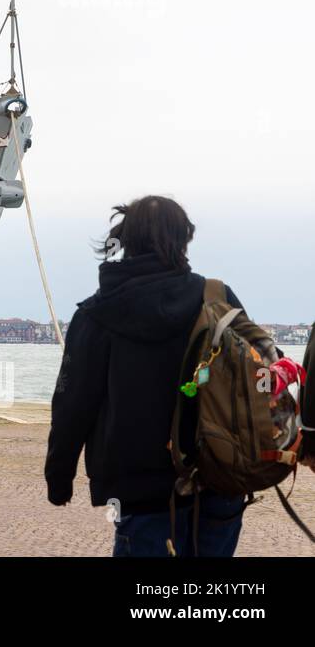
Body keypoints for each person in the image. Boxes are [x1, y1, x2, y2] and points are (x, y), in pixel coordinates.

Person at [46, 196, 249, 557]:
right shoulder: (217, 298)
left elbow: (73, 403)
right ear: (184, 238)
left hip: (139, 489)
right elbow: (255, 374)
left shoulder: (97, 314)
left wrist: (59, 478)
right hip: (219, 477)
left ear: (125, 239)